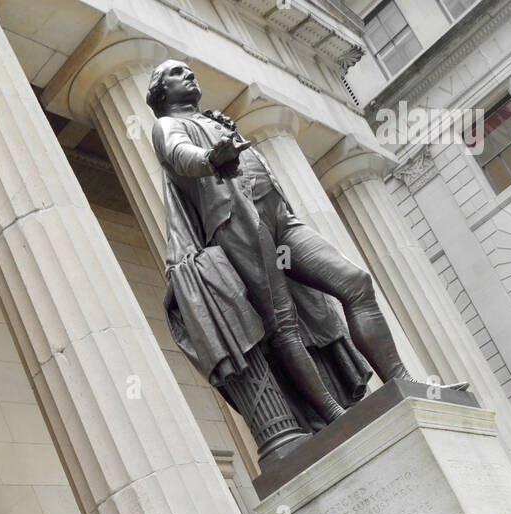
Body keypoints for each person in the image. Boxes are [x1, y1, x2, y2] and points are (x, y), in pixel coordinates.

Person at [147, 60, 444, 426]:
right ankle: (332, 413)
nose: (189, 74)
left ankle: (402, 380)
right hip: (235, 220)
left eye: (189, 69)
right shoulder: (167, 124)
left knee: (355, 282)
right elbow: (180, 154)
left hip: (278, 216)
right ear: (161, 91)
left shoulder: (210, 118)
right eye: (177, 73)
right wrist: (211, 157)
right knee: (283, 322)